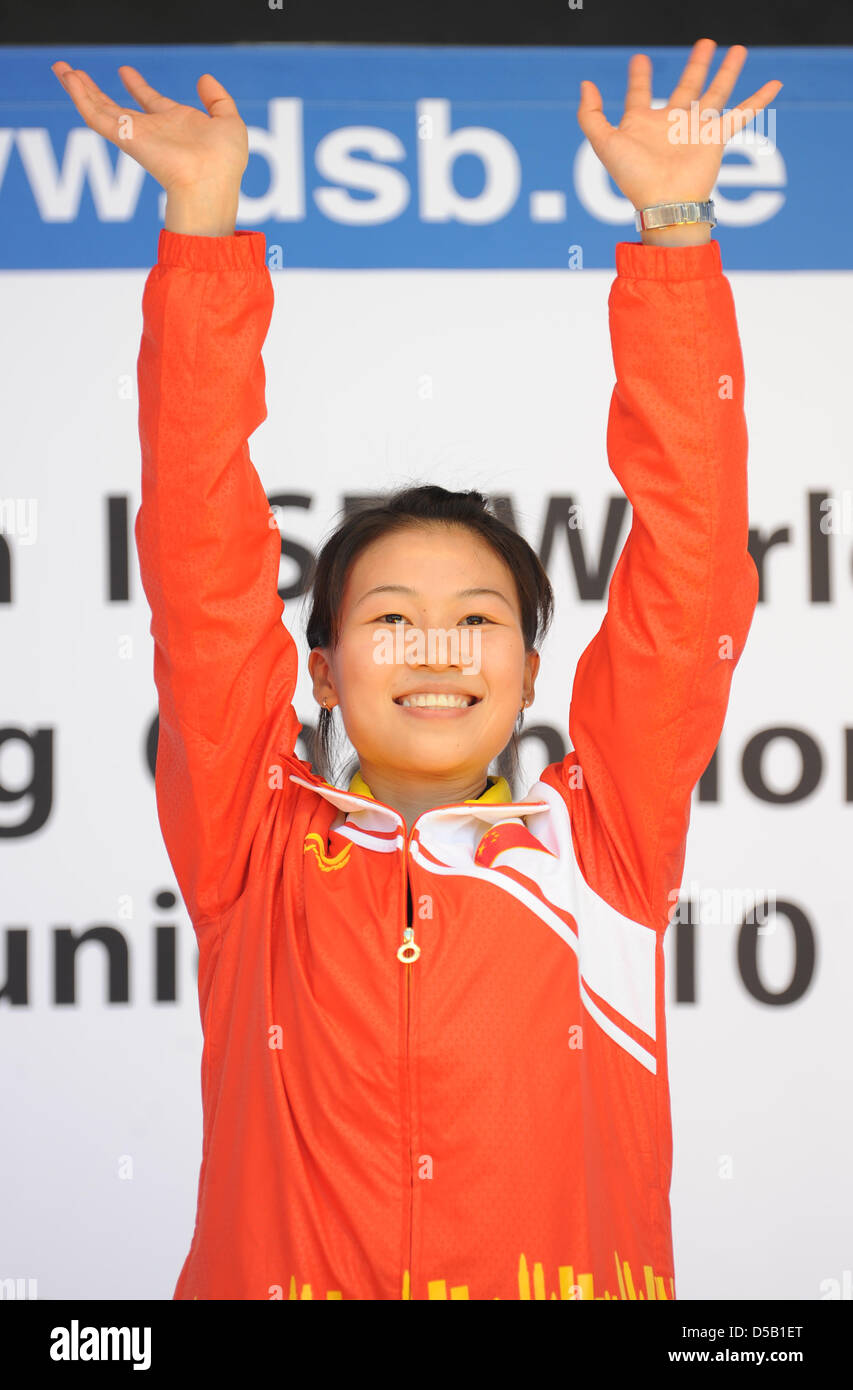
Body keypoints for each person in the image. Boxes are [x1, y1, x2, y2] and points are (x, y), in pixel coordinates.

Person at [52, 41, 781, 1300]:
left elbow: (694, 569)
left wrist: (674, 234)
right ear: (322, 671)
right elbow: (203, 572)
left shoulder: (602, 849)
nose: (437, 648)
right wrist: (204, 232)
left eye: (478, 619)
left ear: (531, 669)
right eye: (391, 617)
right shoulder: (249, 847)